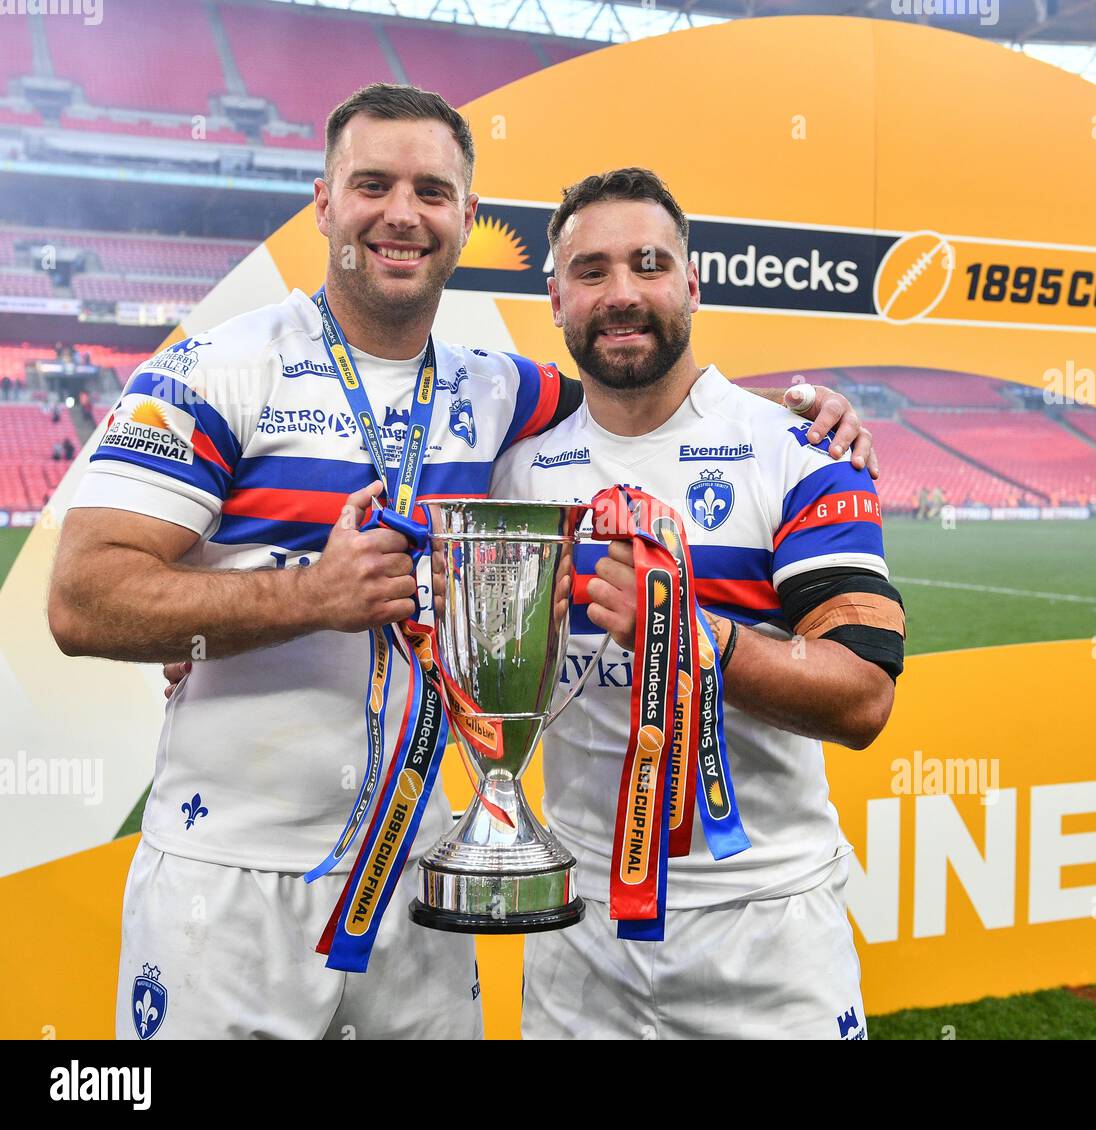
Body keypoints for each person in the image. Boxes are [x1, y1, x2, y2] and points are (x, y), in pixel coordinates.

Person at [51, 86, 872, 1041]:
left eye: (433, 192)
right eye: (372, 185)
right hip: (229, 882)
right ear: (322, 203)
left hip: (420, 881)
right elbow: (81, 599)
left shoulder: (501, 393)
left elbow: (645, 390)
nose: (402, 214)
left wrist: (800, 410)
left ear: (467, 220)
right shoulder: (214, 369)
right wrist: (303, 596)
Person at [491, 169, 903, 1040]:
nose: (623, 294)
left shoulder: (801, 451)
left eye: (649, 264)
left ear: (692, 283)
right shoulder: (518, 473)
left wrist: (686, 633)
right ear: (556, 296)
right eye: (592, 272)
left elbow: (864, 698)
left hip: (765, 927)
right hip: (578, 930)